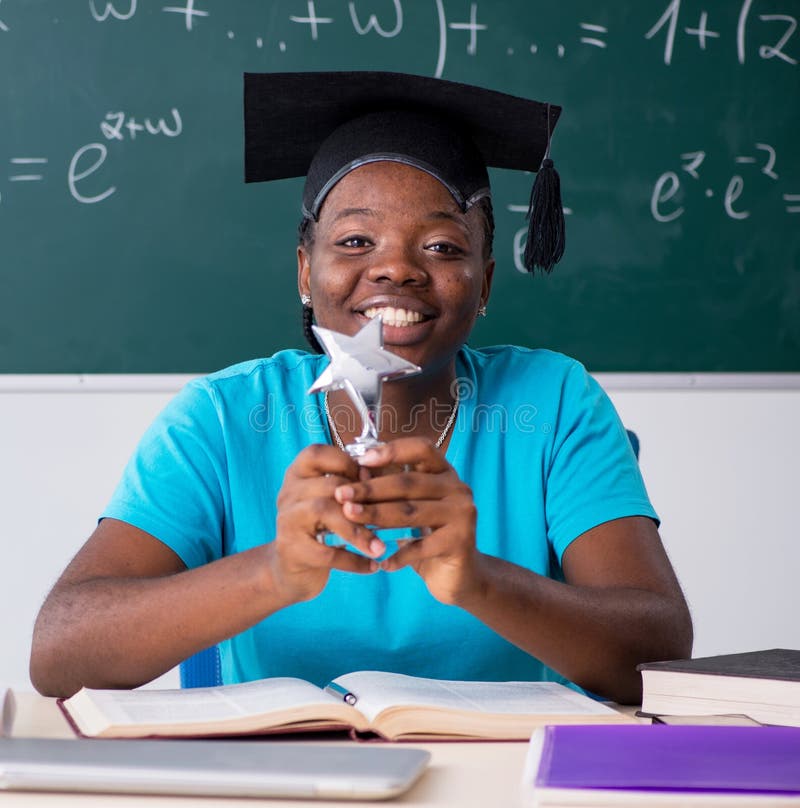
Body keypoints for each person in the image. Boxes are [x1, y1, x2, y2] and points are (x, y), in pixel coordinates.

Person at [30, 72, 692, 702]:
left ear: (485, 283)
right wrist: (273, 572)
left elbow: (659, 655)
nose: (396, 269)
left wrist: (480, 580)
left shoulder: (553, 405)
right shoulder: (222, 420)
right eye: (354, 240)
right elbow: (60, 654)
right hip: (283, 782)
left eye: (441, 247)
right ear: (304, 272)